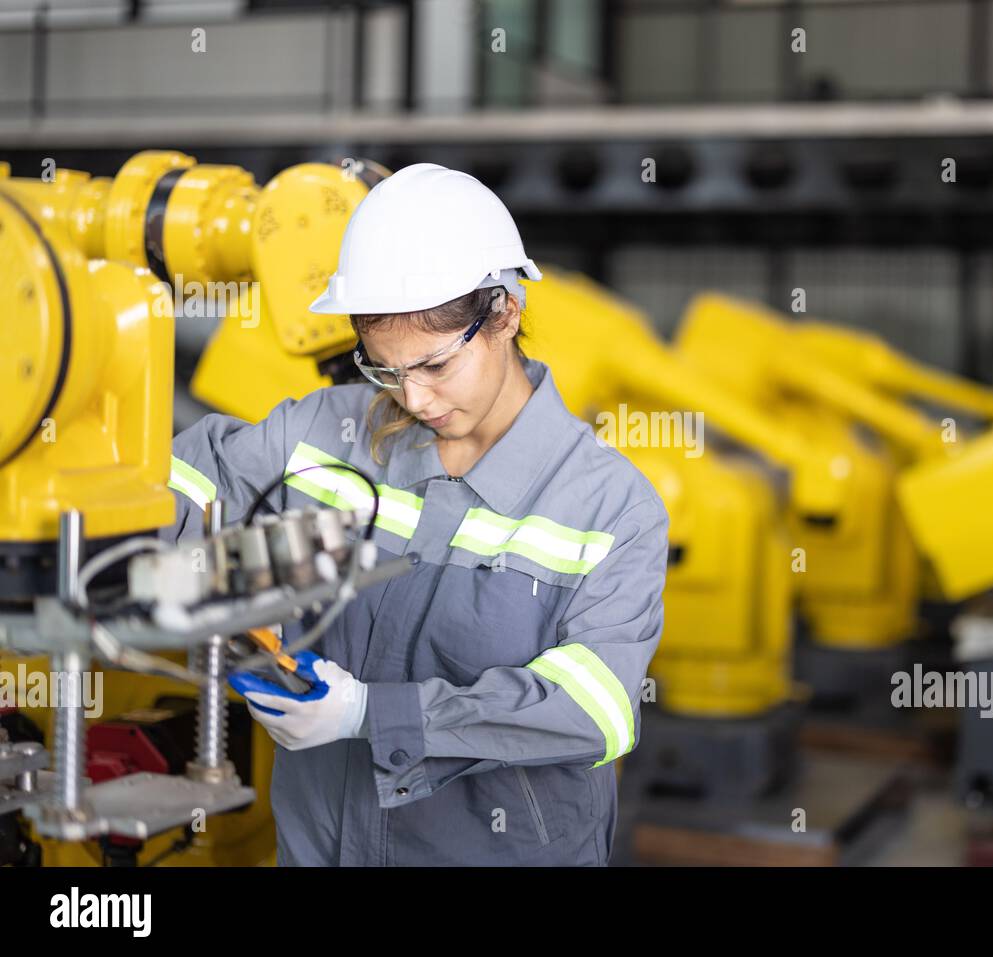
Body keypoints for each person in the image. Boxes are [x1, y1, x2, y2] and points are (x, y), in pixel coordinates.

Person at [161, 163, 670, 865]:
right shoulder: (326, 432)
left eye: (433, 365)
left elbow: (595, 709)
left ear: (505, 313)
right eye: (385, 368)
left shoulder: (608, 505)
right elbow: (196, 472)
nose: (414, 399)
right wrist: (196, 565)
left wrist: (369, 714)